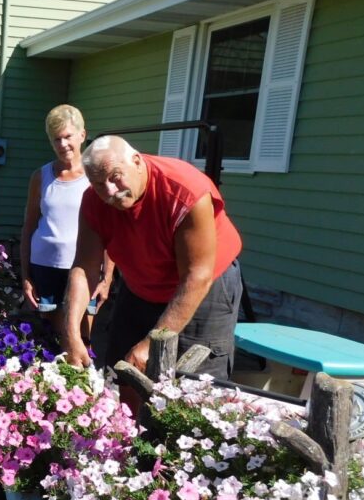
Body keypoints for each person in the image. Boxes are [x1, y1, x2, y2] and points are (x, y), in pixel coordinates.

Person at [61, 135, 243, 385]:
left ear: (136, 161)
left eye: (115, 176)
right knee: (123, 369)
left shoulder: (184, 190)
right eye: (98, 184)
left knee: (195, 382)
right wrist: (71, 333)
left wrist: (151, 343)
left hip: (204, 285)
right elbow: (84, 268)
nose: (109, 191)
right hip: (140, 283)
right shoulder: (94, 200)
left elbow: (197, 275)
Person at [20, 105, 113, 339]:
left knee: (82, 338)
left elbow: (111, 231)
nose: (62, 145)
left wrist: (107, 277)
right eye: (56, 139)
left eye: (67, 136)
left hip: (85, 269)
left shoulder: (97, 177)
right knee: (51, 338)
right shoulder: (40, 177)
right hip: (45, 267)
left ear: (82, 135)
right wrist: (26, 276)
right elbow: (28, 227)